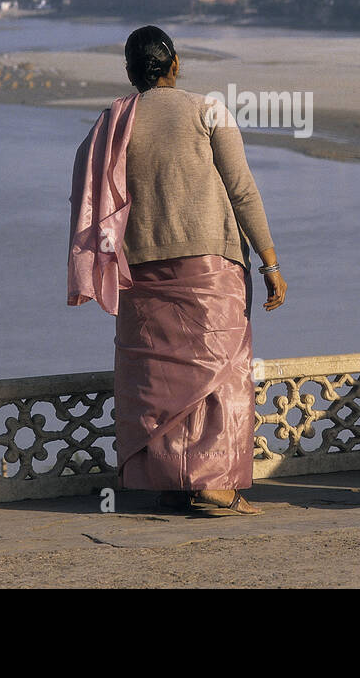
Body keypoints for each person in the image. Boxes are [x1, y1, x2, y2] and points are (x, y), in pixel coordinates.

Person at [68, 25, 287, 517]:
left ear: (130, 71)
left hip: (140, 270)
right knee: (221, 374)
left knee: (155, 379)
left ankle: (170, 483)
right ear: (175, 65)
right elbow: (242, 190)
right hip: (209, 266)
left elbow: (85, 190)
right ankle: (214, 484)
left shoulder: (109, 124)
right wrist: (270, 261)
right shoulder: (206, 110)